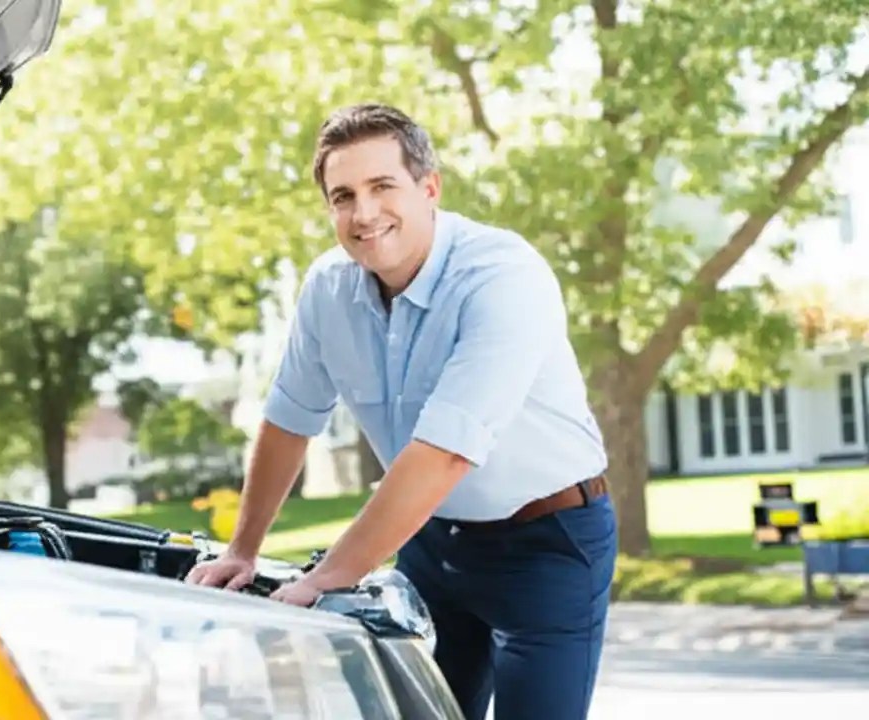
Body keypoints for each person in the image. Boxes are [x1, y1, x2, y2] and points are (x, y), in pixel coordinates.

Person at [185, 103, 618, 720]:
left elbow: (442, 455)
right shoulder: (328, 289)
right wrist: (242, 550)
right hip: (430, 541)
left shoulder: (502, 277)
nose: (364, 213)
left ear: (429, 188)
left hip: (547, 546)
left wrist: (325, 578)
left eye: (382, 186)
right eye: (343, 196)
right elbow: (289, 420)